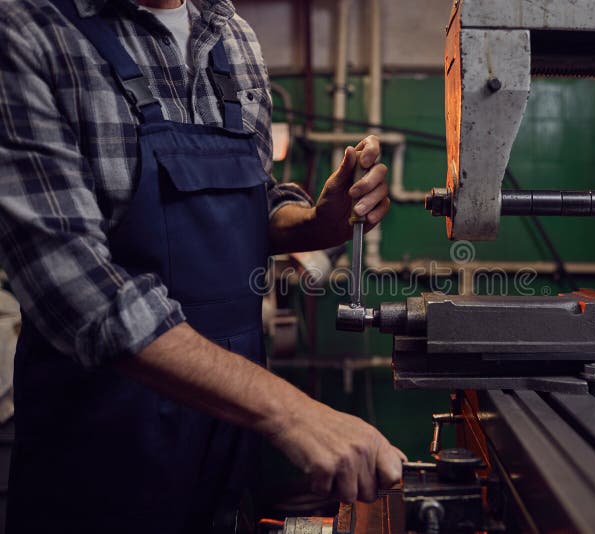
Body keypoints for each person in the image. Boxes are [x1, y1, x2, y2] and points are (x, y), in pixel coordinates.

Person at [0, 0, 404, 531]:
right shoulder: (28, 28)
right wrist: (292, 411)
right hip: (100, 459)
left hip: (230, 445)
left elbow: (251, 204)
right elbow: (79, 292)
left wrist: (315, 223)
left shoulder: (231, 35)